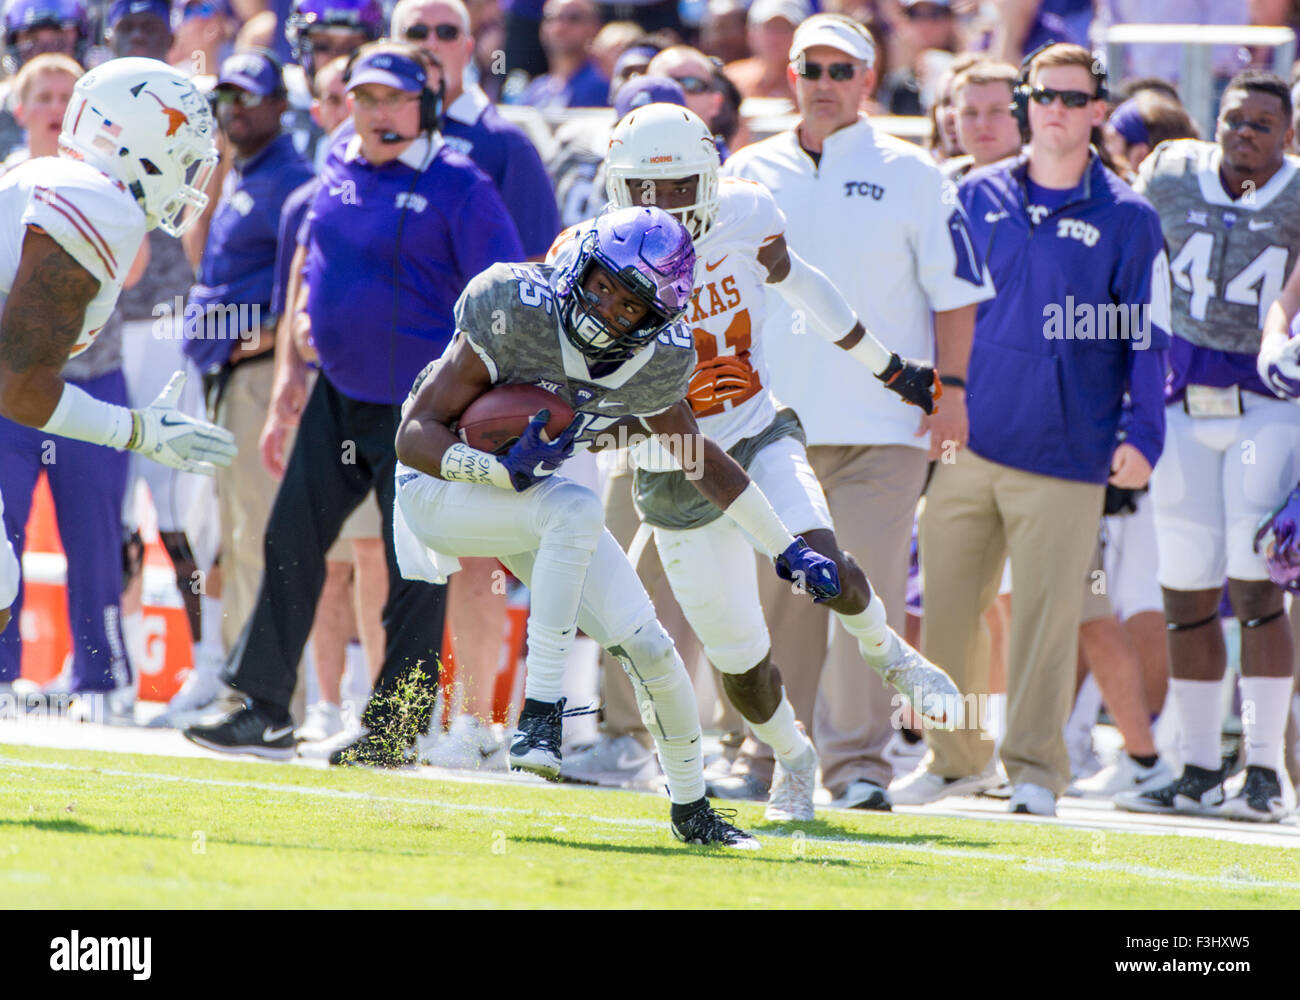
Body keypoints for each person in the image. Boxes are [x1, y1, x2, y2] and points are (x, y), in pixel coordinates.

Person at [392, 204, 844, 846]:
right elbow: (414, 434)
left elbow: (699, 461)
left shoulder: (655, 363)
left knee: (652, 648)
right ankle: (540, 714)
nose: (608, 309)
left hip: (530, 505)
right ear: (581, 268)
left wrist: (787, 548)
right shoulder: (514, 306)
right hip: (439, 488)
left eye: (631, 305)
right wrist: (496, 469)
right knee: (575, 507)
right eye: (604, 285)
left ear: (654, 321)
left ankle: (692, 812)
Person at [581, 102, 959, 821]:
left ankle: (888, 652)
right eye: (646, 189)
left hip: (755, 432)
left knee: (823, 560)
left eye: (679, 186)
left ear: (710, 177)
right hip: (674, 470)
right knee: (742, 665)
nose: (664, 203)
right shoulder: (589, 254)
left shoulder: (746, 213)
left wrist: (886, 367)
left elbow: (803, 283)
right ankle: (794, 757)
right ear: (617, 185)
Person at [184, 42, 522, 764]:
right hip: (336, 394)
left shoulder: (461, 185)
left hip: (425, 411)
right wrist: (290, 376)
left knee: (414, 570)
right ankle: (263, 709)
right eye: (365, 98)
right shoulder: (337, 164)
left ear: (425, 106)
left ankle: (395, 731)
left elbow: (507, 297)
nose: (378, 113)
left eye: (394, 98)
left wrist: (482, 406)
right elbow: (309, 268)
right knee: (289, 541)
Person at [720, 13, 992, 811]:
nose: (826, 83)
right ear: (791, 74)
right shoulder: (747, 171)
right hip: (770, 426)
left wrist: (952, 393)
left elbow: (956, 295)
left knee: (862, 594)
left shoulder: (916, 172)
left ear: (870, 79)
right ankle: (768, 754)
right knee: (777, 601)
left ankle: (860, 766)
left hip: (881, 428)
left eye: (843, 70)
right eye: (812, 68)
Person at [897, 42, 1170, 817]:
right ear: (1027, 104)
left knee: (1049, 625)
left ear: (1096, 109)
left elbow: (1149, 337)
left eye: (1072, 97)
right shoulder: (974, 193)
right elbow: (934, 305)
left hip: (1067, 450)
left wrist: (1145, 434)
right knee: (947, 613)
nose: (1056, 109)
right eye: (1043, 95)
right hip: (966, 441)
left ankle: (1037, 772)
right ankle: (956, 760)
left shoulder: (1130, 217)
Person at [0, 59, 236, 701]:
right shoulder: (92, 202)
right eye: (183, 156)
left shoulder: (64, 183)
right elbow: (20, 388)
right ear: (140, 140)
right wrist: (135, 431)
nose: (189, 176)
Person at [1125, 71, 1300, 823]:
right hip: (1182, 406)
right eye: (1234, 118)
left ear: (1287, 133)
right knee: (1186, 589)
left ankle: (1263, 771)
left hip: (1269, 409)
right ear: (1214, 120)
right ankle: (1197, 767)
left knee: (1256, 589)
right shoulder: (1169, 171)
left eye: (1263, 122)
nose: (1245, 133)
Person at [519, 0, 609, 109]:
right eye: (550, 18)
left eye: (574, 18)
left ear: (596, 26)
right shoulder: (536, 89)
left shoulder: (606, 83)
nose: (559, 27)